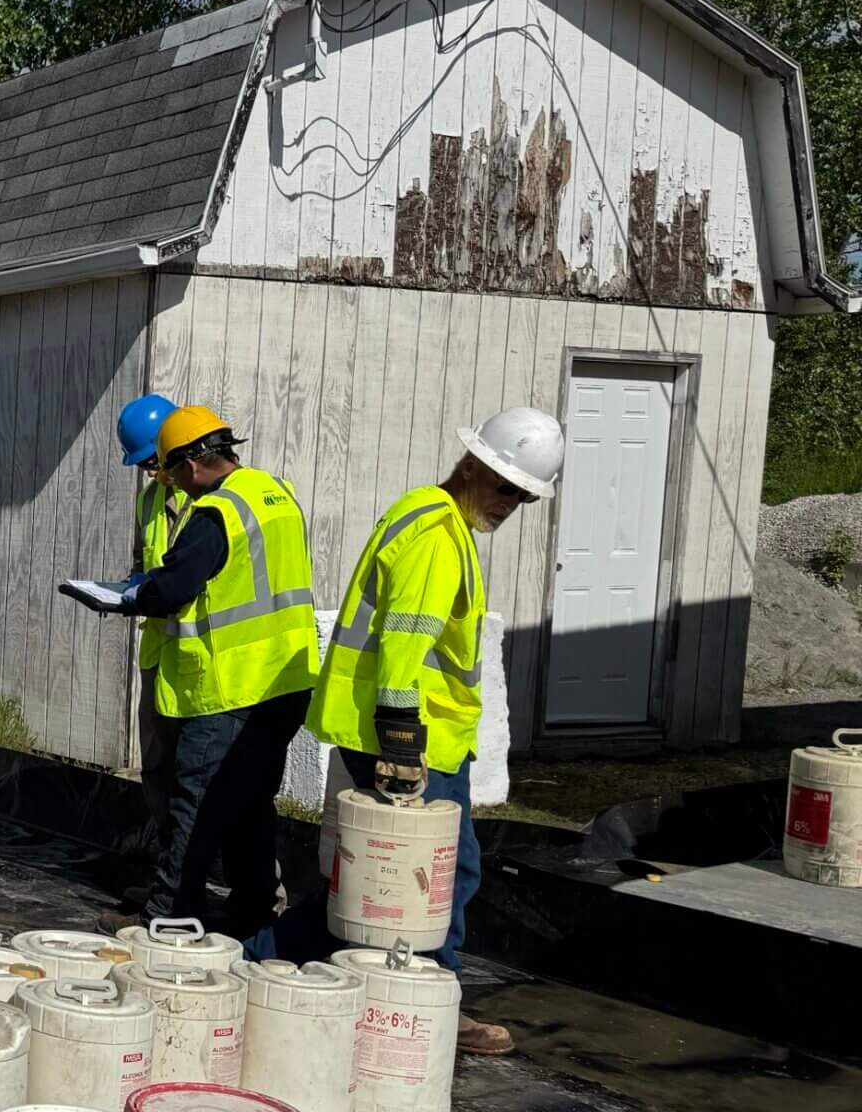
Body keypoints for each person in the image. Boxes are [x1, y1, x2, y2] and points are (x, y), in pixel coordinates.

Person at [251, 408, 565, 1030]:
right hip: (406, 740)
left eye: (524, 496)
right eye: (506, 487)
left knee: (382, 872)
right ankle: (428, 998)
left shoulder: (431, 516)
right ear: (471, 465)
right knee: (434, 876)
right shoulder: (437, 536)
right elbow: (403, 642)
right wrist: (401, 742)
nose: (512, 503)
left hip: (406, 735)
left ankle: (272, 958)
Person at [113, 405, 320, 936]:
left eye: (172, 471)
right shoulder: (275, 494)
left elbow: (175, 587)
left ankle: (167, 914)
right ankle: (252, 907)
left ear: (190, 463)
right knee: (250, 799)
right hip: (287, 682)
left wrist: (130, 598)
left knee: (196, 802)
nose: (174, 484)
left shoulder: (216, 514)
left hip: (234, 685)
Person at [116, 393, 183, 860]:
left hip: (201, 658)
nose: (149, 472)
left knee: (207, 776)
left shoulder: (210, 501)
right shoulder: (150, 499)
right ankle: (168, 868)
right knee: (157, 766)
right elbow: (144, 562)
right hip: (159, 652)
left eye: (153, 461)